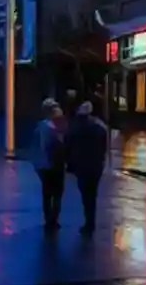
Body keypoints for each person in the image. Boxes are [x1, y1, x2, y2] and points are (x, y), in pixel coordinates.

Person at [66, 100, 109, 233]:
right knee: (92, 193)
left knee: (86, 194)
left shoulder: (76, 127)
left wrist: (69, 163)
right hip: (95, 165)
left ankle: (89, 221)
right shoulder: (100, 127)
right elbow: (104, 146)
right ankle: (91, 221)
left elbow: (69, 145)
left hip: (82, 165)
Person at [30, 98, 66, 228]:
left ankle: (49, 219)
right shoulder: (55, 128)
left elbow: (35, 148)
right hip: (55, 165)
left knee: (48, 194)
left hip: (46, 166)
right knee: (56, 194)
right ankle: (53, 220)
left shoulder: (40, 127)